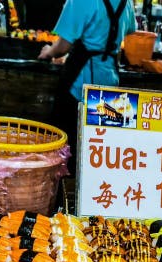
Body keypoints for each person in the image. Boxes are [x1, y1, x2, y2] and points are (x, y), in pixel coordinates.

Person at [38, 0, 136, 169]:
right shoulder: (126, 3)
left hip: (81, 80)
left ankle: (65, 192)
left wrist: (49, 52)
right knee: (101, 148)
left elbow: (63, 46)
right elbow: (126, 33)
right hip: (111, 80)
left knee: (67, 147)